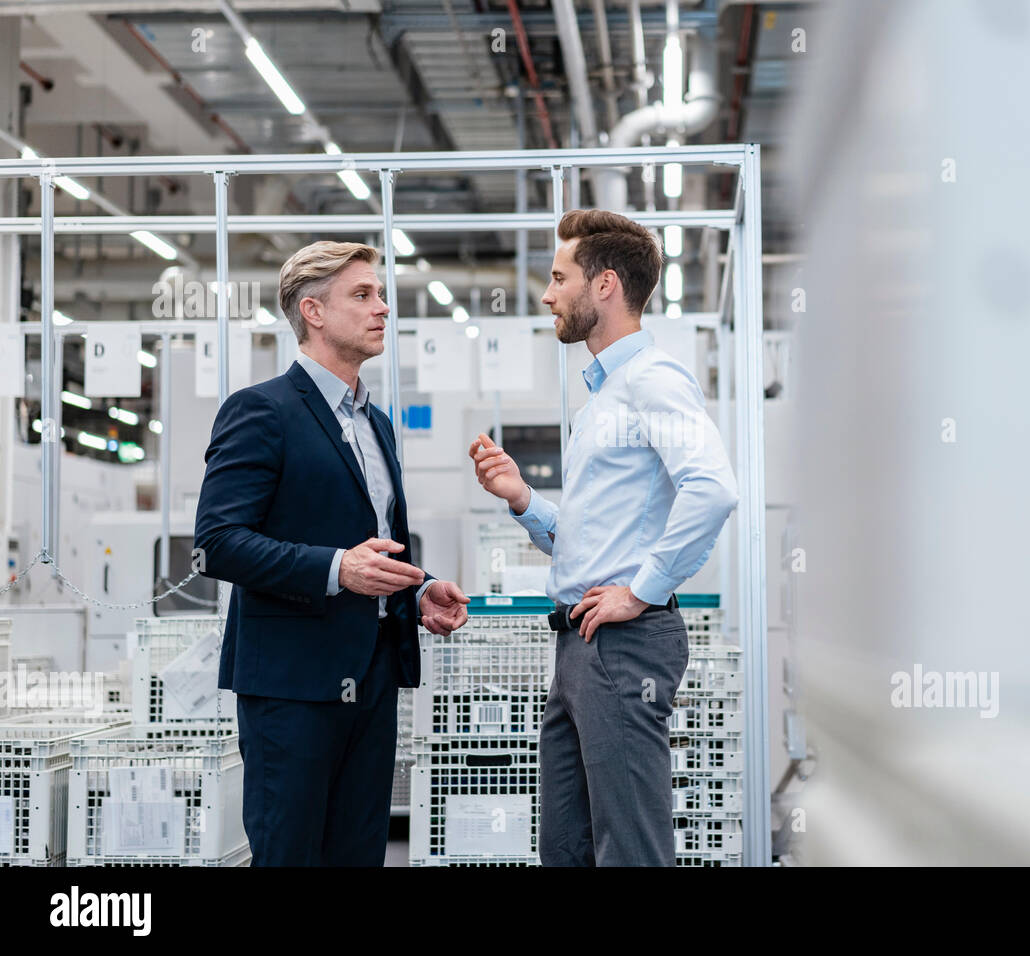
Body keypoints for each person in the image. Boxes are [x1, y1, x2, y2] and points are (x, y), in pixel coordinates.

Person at [469, 209, 739, 866]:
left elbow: (713, 487)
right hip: (579, 646)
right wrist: (524, 500)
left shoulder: (651, 379)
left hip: (620, 646)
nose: (547, 293)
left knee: (630, 851)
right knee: (568, 848)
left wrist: (641, 591)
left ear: (606, 285)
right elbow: (591, 543)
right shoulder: (603, 398)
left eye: (560, 278)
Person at [195, 240, 470, 866]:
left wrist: (417, 586)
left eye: (379, 294)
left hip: (371, 672)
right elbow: (216, 544)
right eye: (363, 295)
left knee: (358, 853)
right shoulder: (261, 411)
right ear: (313, 311)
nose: (383, 308)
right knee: (291, 854)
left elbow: (368, 537)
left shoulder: (377, 424)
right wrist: (335, 568)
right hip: (292, 683)